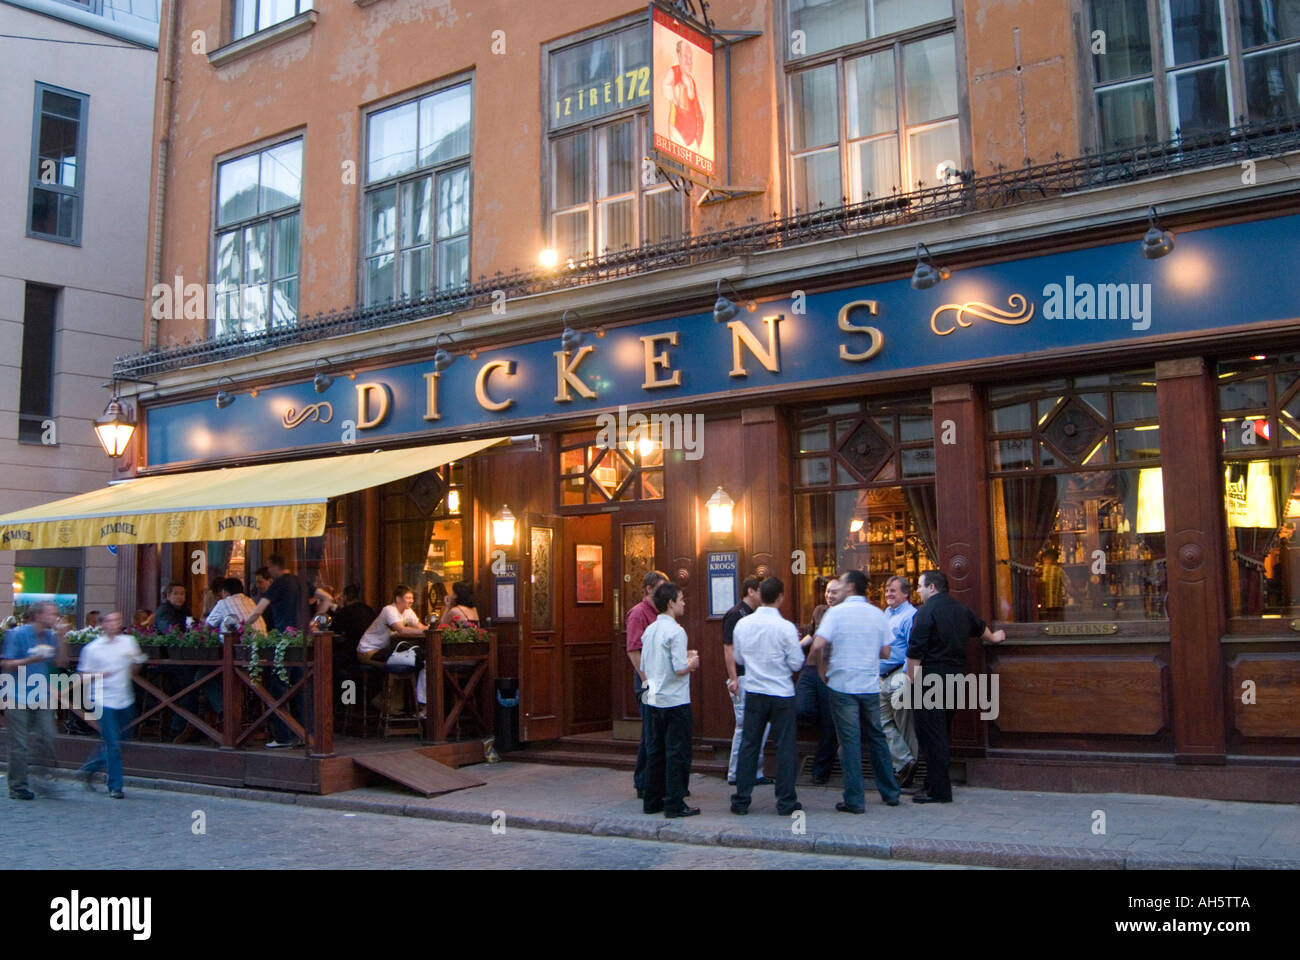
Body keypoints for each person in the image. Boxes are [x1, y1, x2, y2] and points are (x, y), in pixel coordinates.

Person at [907, 570, 1005, 804]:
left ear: (932, 587)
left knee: (932, 737)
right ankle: (932, 783)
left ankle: (939, 791)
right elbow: (980, 628)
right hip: (956, 678)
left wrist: (911, 683)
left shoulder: (924, 612)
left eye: (920, 586)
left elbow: (915, 652)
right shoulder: (960, 609)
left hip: (930, 680)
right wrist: (995, 637)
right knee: (942, 732)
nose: (918, 591)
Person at [812, 570, 900, 813]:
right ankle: (890, 792)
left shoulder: (836, 613)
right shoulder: (877, 613)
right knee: (877, 737)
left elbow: (818, 643)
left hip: (842, 684)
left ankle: (855, 799)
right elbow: (886, 653)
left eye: (841, 583)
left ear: (850, 586)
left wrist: (821, 669)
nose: (837, 587)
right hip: (869, 683)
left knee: (850, 742)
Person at [729, 577, 805, 816]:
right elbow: (796, 663)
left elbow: (738, 659)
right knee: (785, 746)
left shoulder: (743, 625)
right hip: (781, 692)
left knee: (749, 745)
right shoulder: (786, 628)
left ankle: (741, 799)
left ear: (760, 595)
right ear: (781, 596)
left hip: (754, 690)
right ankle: (785, 801)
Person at [639, 581, 700, 818]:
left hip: (653, 697)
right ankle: (675, 802)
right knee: (677, 752)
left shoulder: (650, 630)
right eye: (682, 599)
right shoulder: (676, 631)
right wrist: (691, 663)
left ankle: (652, 800)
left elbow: (644, 664)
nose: (684, 603)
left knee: (655, 751)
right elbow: (678, 667)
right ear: (671, 603)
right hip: (675, 700)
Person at [1, 600, 68, 799]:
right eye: (51, 614)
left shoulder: (50, 636)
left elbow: (60, 661)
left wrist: (62, 638)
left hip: (41, 695)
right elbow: (7, 664)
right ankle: (18, 786)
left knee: (48, 736)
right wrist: (31, 659)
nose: (55, 617)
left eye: (56, 614)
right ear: (39, 615)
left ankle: (41, 774)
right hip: (17, 696)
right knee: (19, 745)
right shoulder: (17, 634)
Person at [76, 612, 142, 798]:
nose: (115, 624)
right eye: (111, 621)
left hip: (124, 697)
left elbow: (136, 668)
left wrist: (136, 663)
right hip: (102, 698)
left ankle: (91, 767)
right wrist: (100, 675)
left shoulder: (129, 642)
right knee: (113, 742)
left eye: (118, 621)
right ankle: (115, 786)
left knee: (123, 739)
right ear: (102, 624)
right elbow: (82, 676)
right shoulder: (92, 648)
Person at [248, 555, 310, 748]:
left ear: (271, 577)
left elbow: (258, 613)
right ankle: (303, 734)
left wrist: (241, 627)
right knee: (298, 689)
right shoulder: (297, 585)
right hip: (299, 644)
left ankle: (284, 737)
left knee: (279, 690)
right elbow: (322, 599)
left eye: (261, 581)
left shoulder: (276, 590)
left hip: (282, 646)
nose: (258, 585)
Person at [723, 576, 772, 787]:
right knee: (744, 727)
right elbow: (728, 648)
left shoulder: (753, 614)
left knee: (759, 726)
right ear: (751, 591)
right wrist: (734, 678)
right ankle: (736, 772)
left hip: (755, 676)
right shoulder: (736, 614)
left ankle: (755, 772)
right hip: (743, 677)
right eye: (761, 590)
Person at [626, 569, 669, 800]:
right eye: (660, 588)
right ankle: (643, 781)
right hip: (647, 680)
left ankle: (655, 779)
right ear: (649, 588)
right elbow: (634, 651)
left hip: (662, 679)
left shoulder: (662, 612)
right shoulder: (638, 614)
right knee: (650, 731)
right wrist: (646, 681)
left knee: (657, 730)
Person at [797, 576, 842, 784]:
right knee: (800, 708)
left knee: (830, 724)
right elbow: (813, 634)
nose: (829, 595)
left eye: (834, 592)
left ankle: (821, 771)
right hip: (811, 667)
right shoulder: (819, 610)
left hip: (832, 671)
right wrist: (795, 646)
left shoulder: (845, 614)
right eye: (827, 591)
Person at [881, 575, 919, 788]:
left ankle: (908, 772)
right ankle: (904, 762)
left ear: (906, 593)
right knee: (881, 721)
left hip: (899, 675)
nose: (888, 594)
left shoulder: (911, 615)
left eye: (893, 591)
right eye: (887, 590)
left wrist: (907, 677)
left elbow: (912, 648)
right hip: (883, 677)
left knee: (904, 723)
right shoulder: (886, 613)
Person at [662, 38, 703, 149]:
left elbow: (697, 104)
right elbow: (665, 85)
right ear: (679, 56)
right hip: (679, 134)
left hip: (693, 140)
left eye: (691, 58)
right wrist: (674, 97)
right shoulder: (674, 72)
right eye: (686, 57)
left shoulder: (692, 80)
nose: (689, 61)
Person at [329, 584, 376, 675]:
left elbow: (334, 628)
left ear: (345, 597)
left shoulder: (346, 611)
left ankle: (343, 688)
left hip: (354, 651)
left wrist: (335, 610)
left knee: (332, 660)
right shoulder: (368, 609)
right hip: (371, 649)